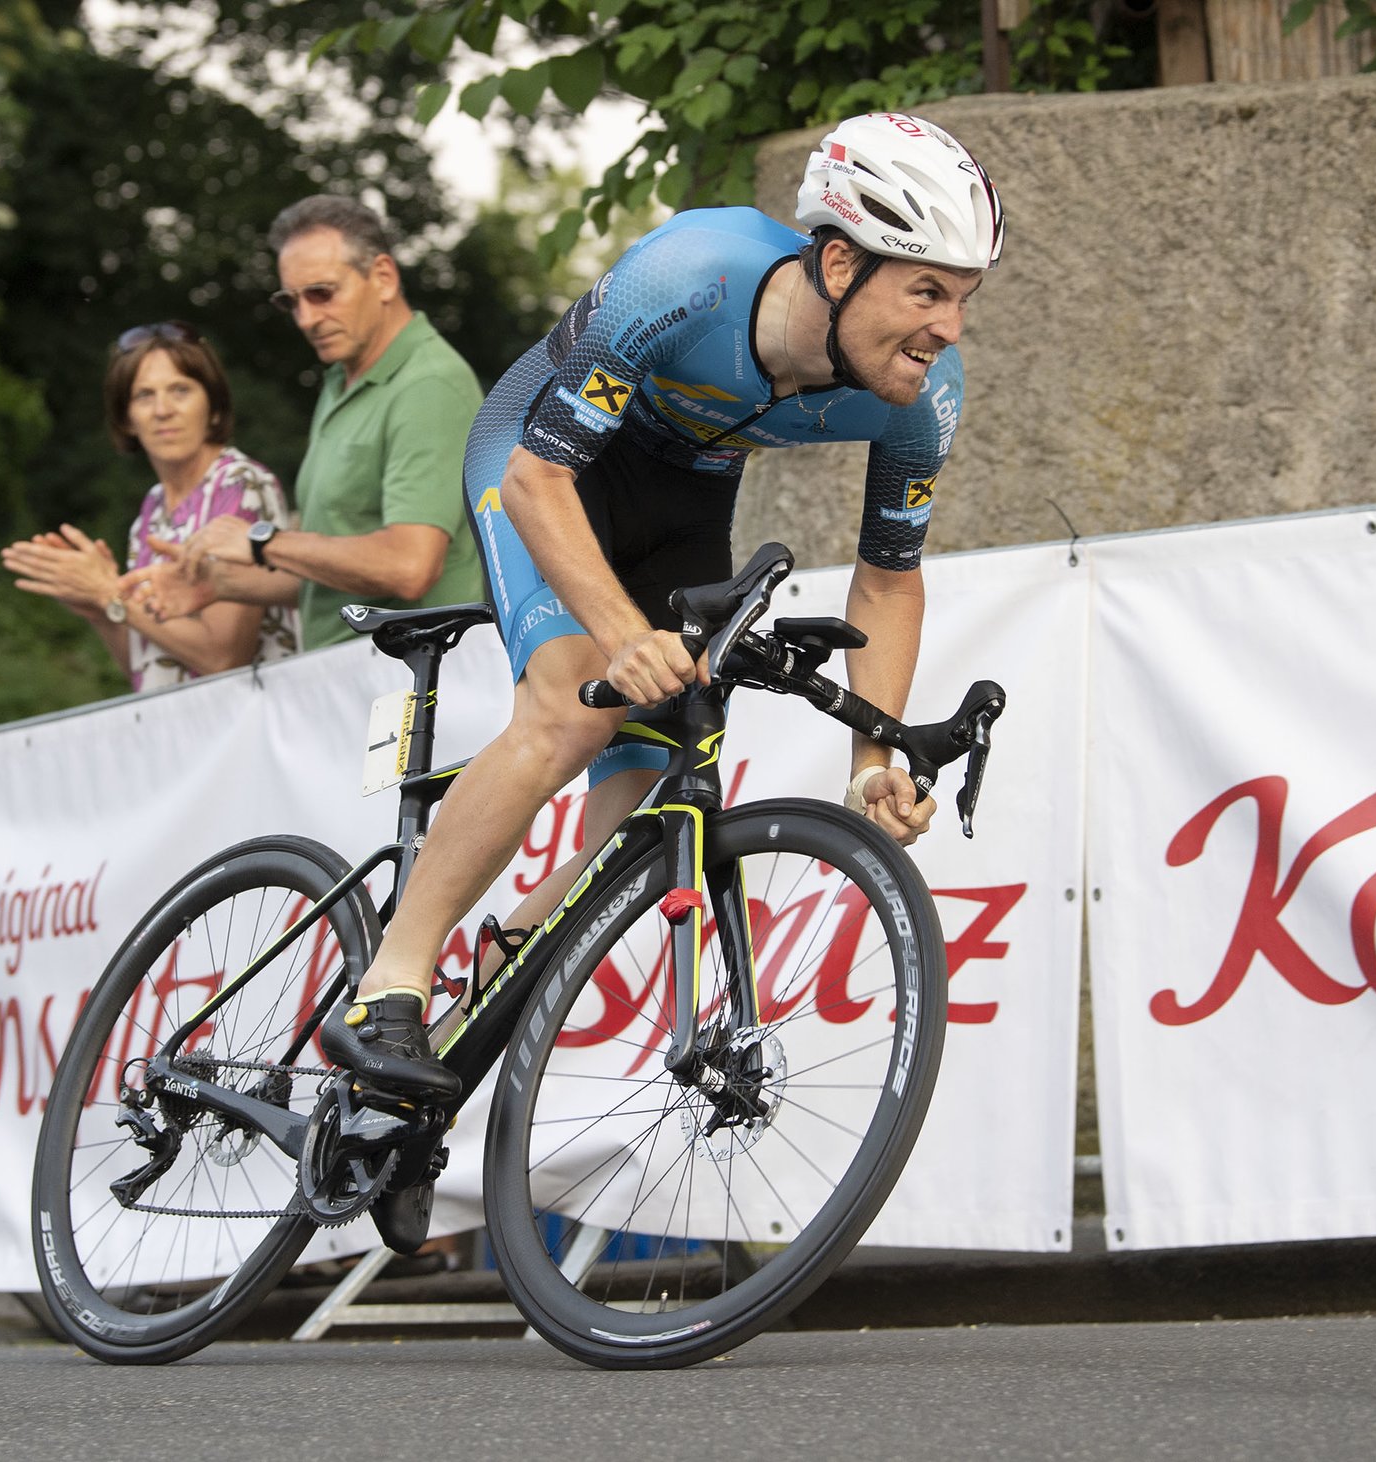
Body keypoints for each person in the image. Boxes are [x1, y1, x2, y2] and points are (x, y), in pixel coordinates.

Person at [308, 112, 1004, 1250]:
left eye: (963, 295)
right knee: (580, 691)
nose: (950, 326)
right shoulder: (691, 271)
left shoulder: (924, 398)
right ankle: (391, 976)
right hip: (538, 461)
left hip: (685, 499)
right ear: (839, 263)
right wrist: (619, 630)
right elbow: (540, 479)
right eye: (927, 291)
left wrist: (870, 754)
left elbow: (889, 582)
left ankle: (501, 961)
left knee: (652, 784)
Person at [125, 197, 484, 652]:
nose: (307, 319)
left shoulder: (428, 385)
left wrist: (263, 541)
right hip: (354, 683)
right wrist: (223, 587)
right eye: (290, 301)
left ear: (383, 277)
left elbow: (408, 567)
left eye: (322, 293)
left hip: (415, 691)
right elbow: (343, 575)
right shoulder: (342, 378)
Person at [0, 323, 297, 691]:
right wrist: (101, 611)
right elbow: (149, 670)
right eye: (143, 396)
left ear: (214, 407)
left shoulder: (240, 484)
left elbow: (224, 659)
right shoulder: (152, 510)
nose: (162, 410)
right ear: (126, 418)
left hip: (254, 732)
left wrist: (109, 592)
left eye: (180, 390)